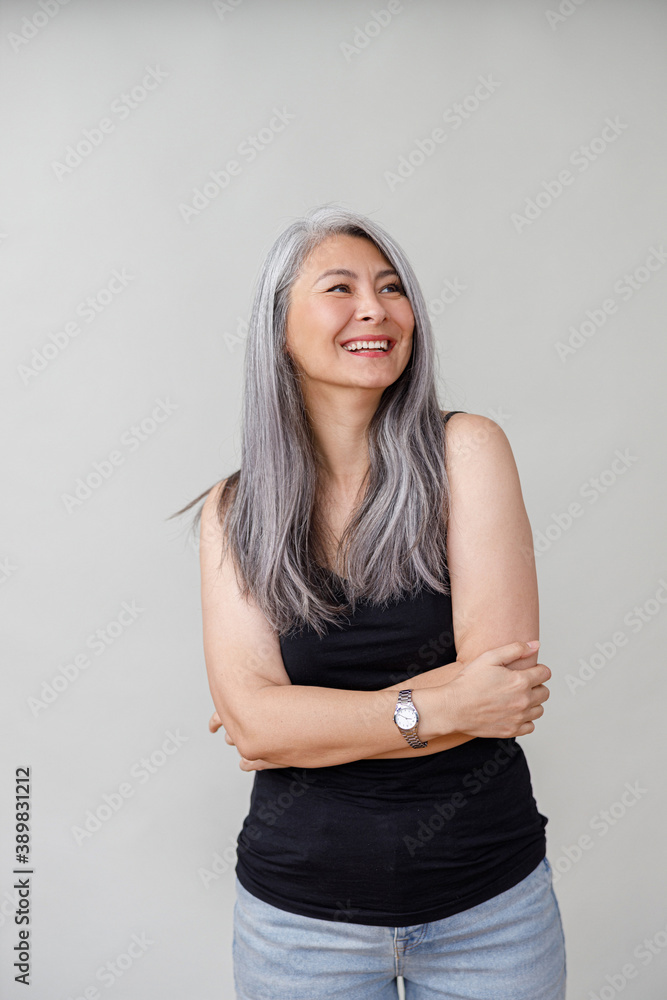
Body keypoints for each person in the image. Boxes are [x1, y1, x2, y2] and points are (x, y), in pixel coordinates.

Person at [177, 205, 566, 999]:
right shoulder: (233, 511)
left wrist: (298, 728)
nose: (374, 309)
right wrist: (441, 706)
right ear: (278, 329)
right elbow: (257, 722)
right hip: (297, 929)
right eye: (340, 288)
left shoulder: (467, 452)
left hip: (489, 911)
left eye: (391, 289)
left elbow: (501, 692)